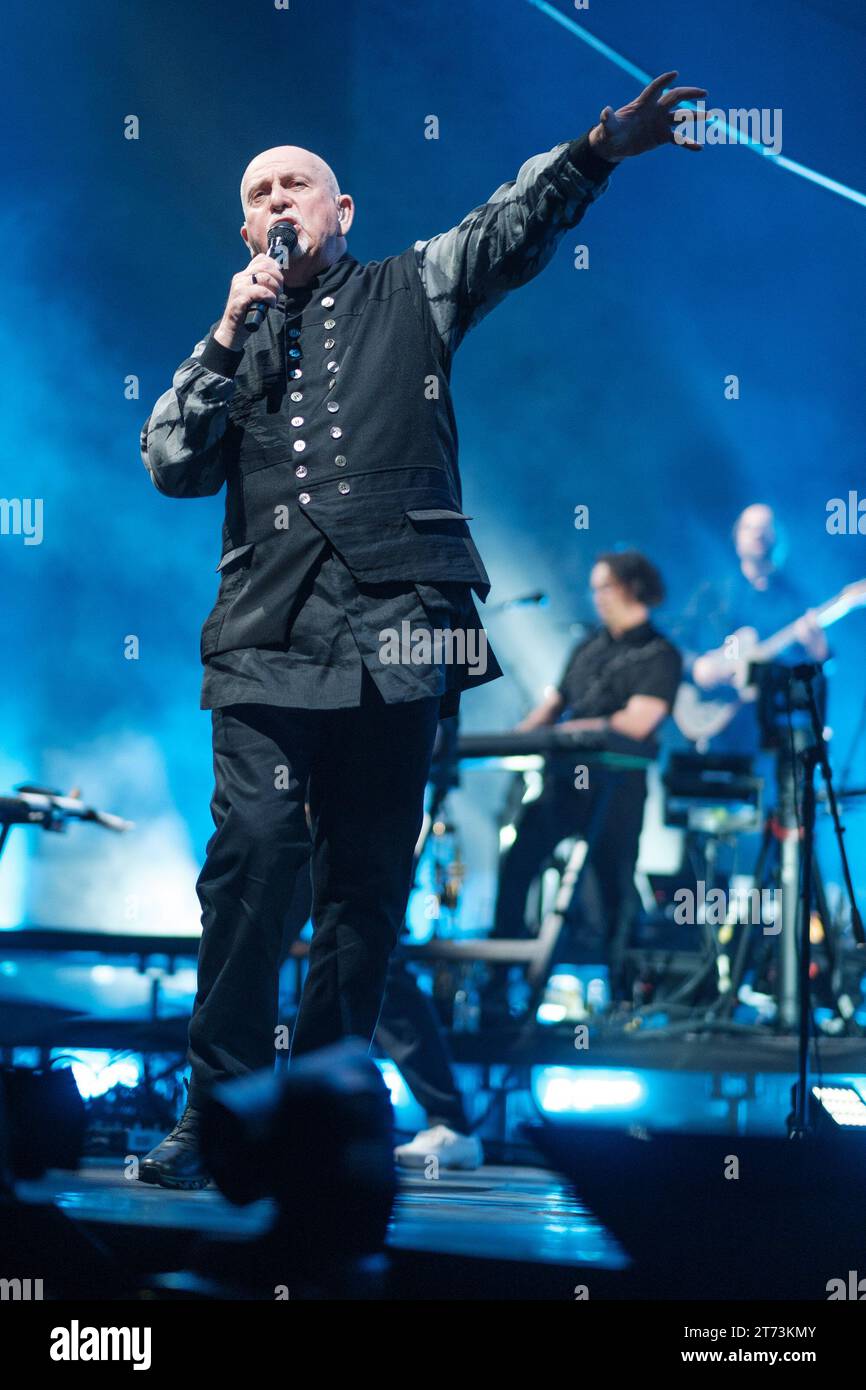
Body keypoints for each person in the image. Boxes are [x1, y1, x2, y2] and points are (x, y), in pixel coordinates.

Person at [138, 70, 708, 1188]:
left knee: (364, 890)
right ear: (244, 225)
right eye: (257, 193)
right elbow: (168, 462)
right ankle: (216, 1112)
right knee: (251, 859)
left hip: (406, 634)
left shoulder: (415, 286)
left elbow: (511, 221)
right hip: (263, 637)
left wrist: (598, 147)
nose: (275, 199)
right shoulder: (231, 342)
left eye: (295, 182)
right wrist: (221, 333)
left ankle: (322, 1128)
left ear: (340, 210)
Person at [491, 552, 681, 1006]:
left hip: (615, 788)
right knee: (518, 864)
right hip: (562, 782)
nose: (596, 597)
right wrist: (510, 741)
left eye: (605, 587)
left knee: (613, 886)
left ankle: (620, 995)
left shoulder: (662, 655)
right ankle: (499, 982)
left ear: (632, 588)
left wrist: (573, 730)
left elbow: (638, 723)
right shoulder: (588, 647)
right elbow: (552, 705)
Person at [677, 503, 829, 754]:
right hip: (710, 716)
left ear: (779, 538)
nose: (758, 533)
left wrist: (820, 653)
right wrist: (697, 667)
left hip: (772, 724)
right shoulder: (713, 594)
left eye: (765, 528)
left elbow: (816, 679)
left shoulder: (797, 602)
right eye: (750, 527)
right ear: (736, 537)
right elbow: (674, 644)